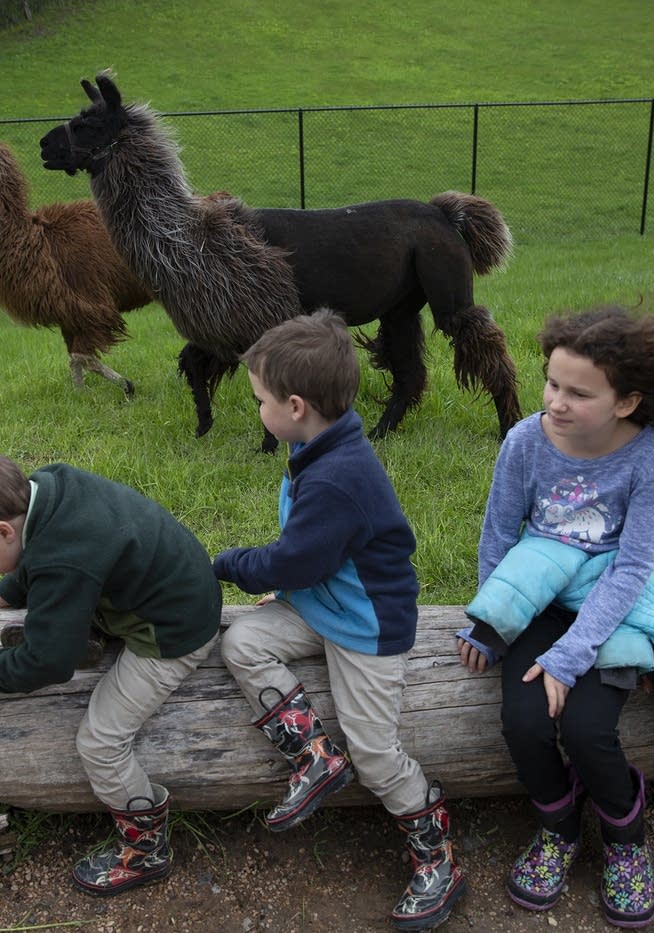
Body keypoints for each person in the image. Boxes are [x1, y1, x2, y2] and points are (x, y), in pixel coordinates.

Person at [456, 305, 654, 928]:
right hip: (539, 592)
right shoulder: (525, 441)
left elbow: (632, 567)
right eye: (552, 383)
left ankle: (626, 844)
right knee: (523, 722)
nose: (556, 401)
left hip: (608, 601)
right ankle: (559, 826)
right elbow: (498, 536)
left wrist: (572, 656)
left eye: (579, 392)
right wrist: (494, 623)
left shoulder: (649, 459)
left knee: (587, 729)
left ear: (626, 402)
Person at [213, 310, 466, 932]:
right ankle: (314, 755)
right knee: (242, 638)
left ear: (295, 405)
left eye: (260, 400)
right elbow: (306, 556)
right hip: (321, 601)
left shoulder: (338, 476)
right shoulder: (316, 445)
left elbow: (295, 555)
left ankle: (438, 857)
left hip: (367, 627)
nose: (258, 410)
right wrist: (289, 588)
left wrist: (226, 564)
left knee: (376, 751)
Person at [0, 437, 222, 896]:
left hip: (172, 633)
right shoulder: (49, 487)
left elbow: (49, 663)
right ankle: (72, 627)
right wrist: (17, 589)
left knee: (100, 741)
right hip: (160, 591)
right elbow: (50, 554)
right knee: (57, 619)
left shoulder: (63, 559)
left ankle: (147, 849)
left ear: (3, 531)